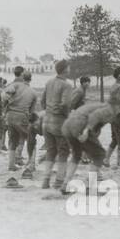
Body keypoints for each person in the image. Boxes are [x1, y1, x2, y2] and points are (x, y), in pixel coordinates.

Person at [61, 97, 120, 192]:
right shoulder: (109, 109)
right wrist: (86, 131)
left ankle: (65, 184)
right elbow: (94, 116)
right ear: (117, 106)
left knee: (76, 155)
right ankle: (91, 187)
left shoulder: (98, 106)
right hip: (80, 125)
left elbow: (96, 127)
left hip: (67, 126)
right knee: (99, 155)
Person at [39, 59, 74, 189]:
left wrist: (49, 110)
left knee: (50, 151)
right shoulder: (67, 85)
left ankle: (45, 180)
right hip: (59, 122)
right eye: (69, 67)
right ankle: (59, 180)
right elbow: (65, 104)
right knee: (63, 151)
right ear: (65, 69)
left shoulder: (49, 82)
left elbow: (42, 101)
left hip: (46, 121)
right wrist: (66, 116)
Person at [3, 73, 37, 172]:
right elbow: (31, 112)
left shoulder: (16, 85)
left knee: (13, 141)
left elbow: (4, 95)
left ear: (22, 78)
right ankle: (32, 164)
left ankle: (11, 165)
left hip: (10, 115)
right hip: (22, 116)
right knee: (31, 141)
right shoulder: (33, 92)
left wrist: (6, 106)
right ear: (30, 79)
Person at [104, 67, 120, 169]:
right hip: (118, 115)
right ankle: (119, 162)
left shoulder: (113, 86)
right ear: (119, 75)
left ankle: (106, 159)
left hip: (111, 114)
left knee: (115, 138)